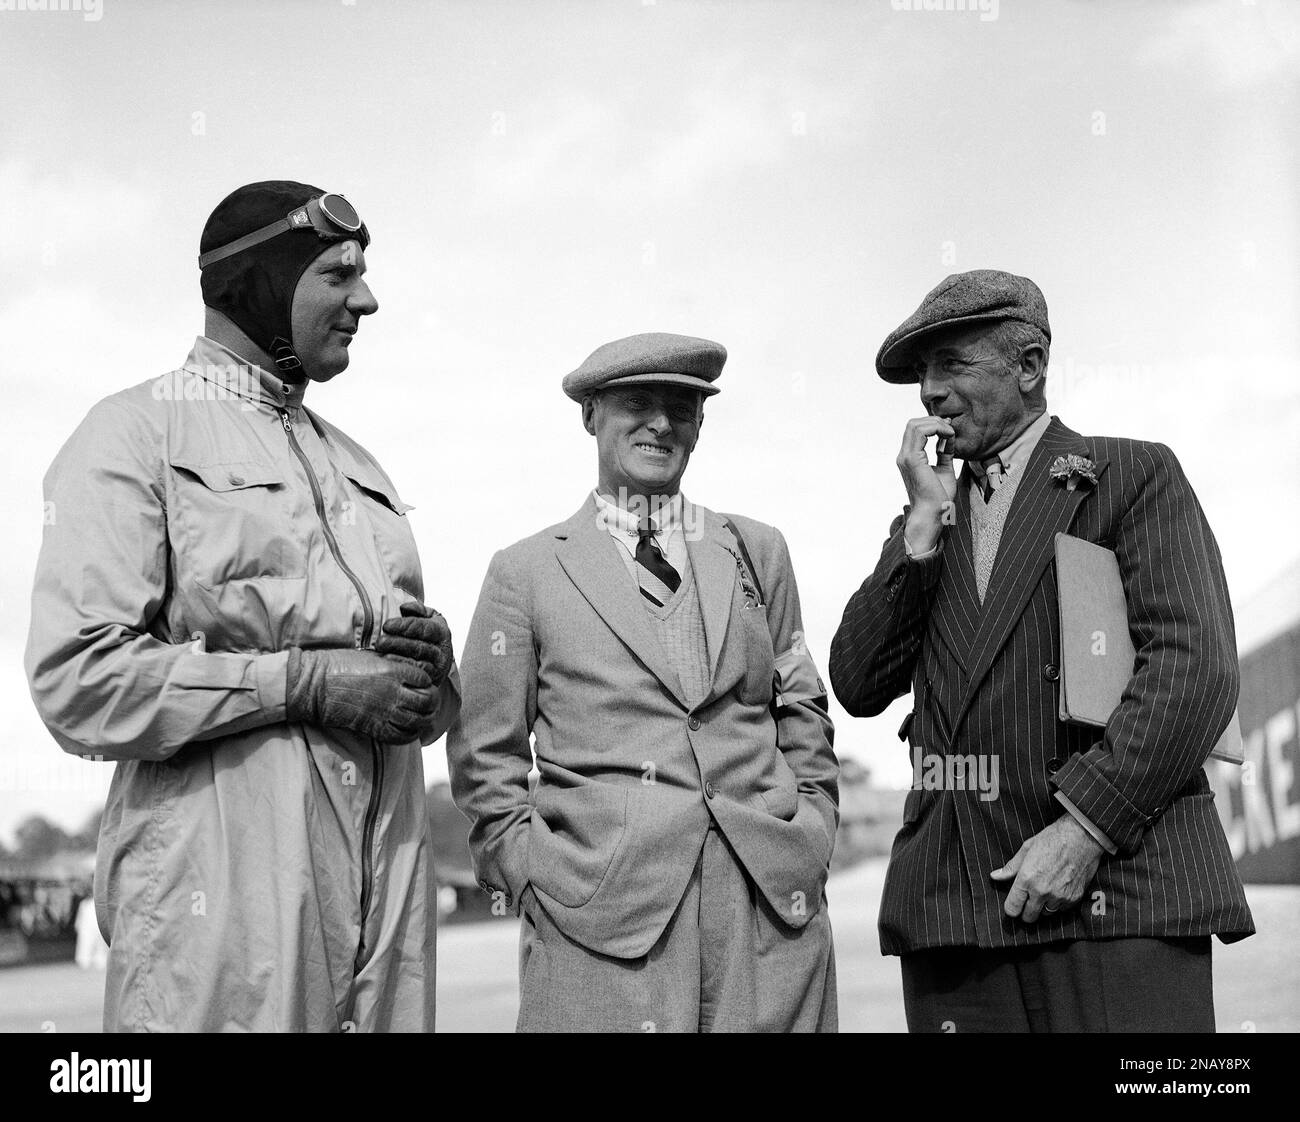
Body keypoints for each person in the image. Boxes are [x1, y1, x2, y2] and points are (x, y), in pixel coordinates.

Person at [25, 180, 460, 1032]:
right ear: (261, 281)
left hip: (390, 936)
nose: (366, 299)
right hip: (222, 936)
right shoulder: (135, 433)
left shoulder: (363, 468)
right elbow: (77, 680)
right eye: (339, 274)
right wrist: (301, 684)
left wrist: (433, 676)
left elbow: (423, 712)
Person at [828, 269, 1254, 1033]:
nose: (929, 391)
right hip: (957, 918)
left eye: (951, 364)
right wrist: (922, 523)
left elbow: (1196, 669)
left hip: (1118, 900)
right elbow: (857, 683)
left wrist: (1085, 829)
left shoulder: (1131, 474)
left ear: (1029, 368)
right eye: (922, 374)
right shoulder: (928, 520)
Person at [447, 333, 839, 1032]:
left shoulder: (758, 550)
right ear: (590, 414)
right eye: (638, 403)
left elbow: (801, 702)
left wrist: (811, 832)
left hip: (769, 911)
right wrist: (532, 874)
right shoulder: (526, 572)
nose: (661, 423)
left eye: (682, 408)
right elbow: (485, 752)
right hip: (597, 926)